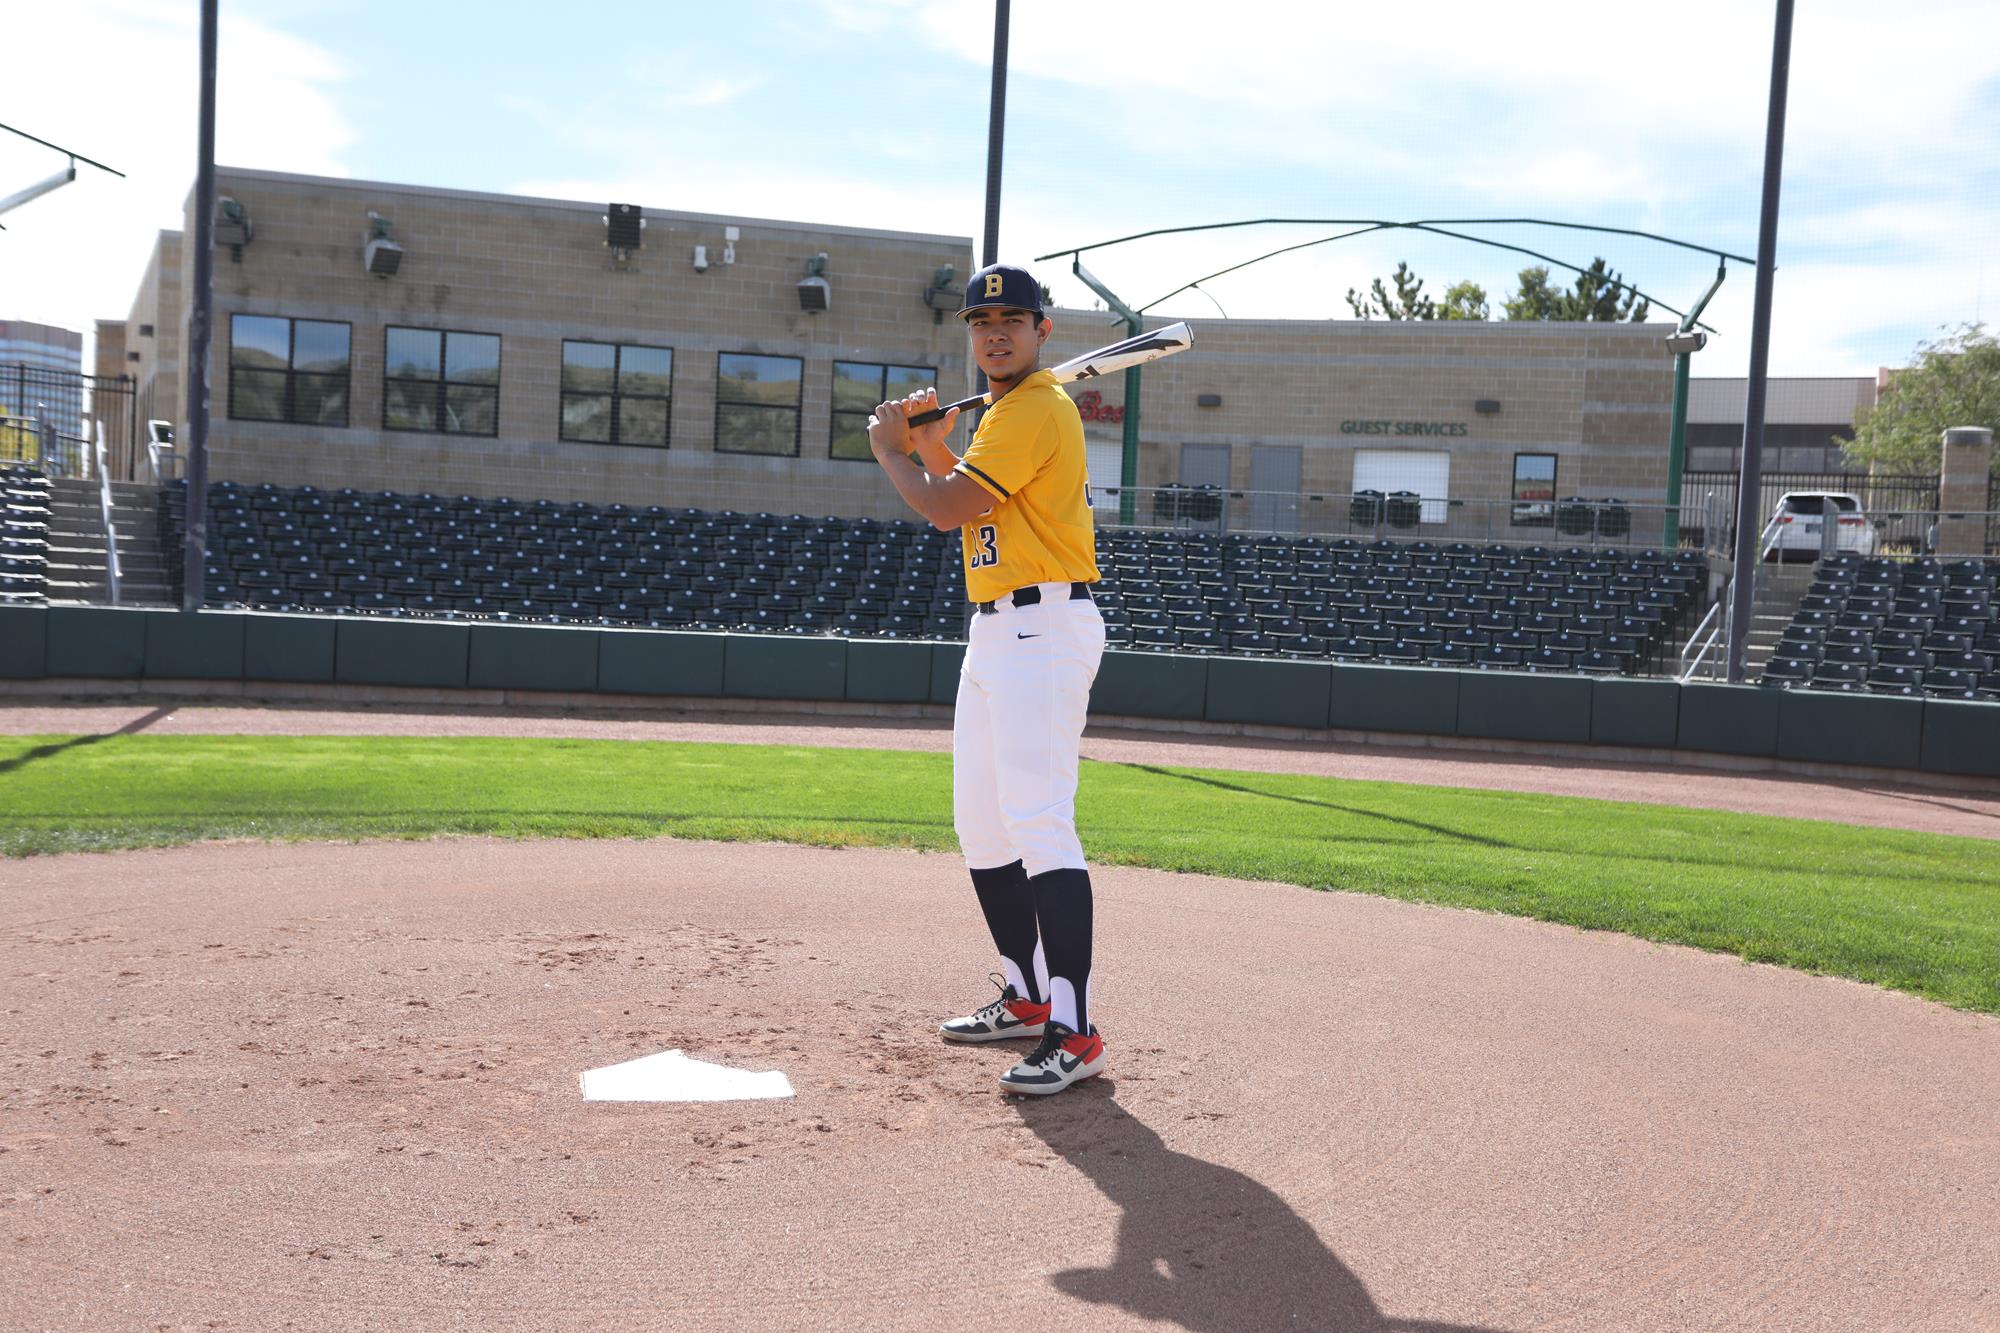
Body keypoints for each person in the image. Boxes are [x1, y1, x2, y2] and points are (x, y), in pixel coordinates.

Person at [864, 262, 1107, 1097]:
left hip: (1043, 625)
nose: (994, 331)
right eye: (980, 320)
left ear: (1044, 331)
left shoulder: (1037, 406)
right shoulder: (1005, 416)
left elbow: (944, 507)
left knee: (1040, 823)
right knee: (982, 825)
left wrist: (890, 450)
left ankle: (1073, 1031)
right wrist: (931, 440)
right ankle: (1028, 996)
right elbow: (965, 486)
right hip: (999, 626)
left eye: (1012, 318)